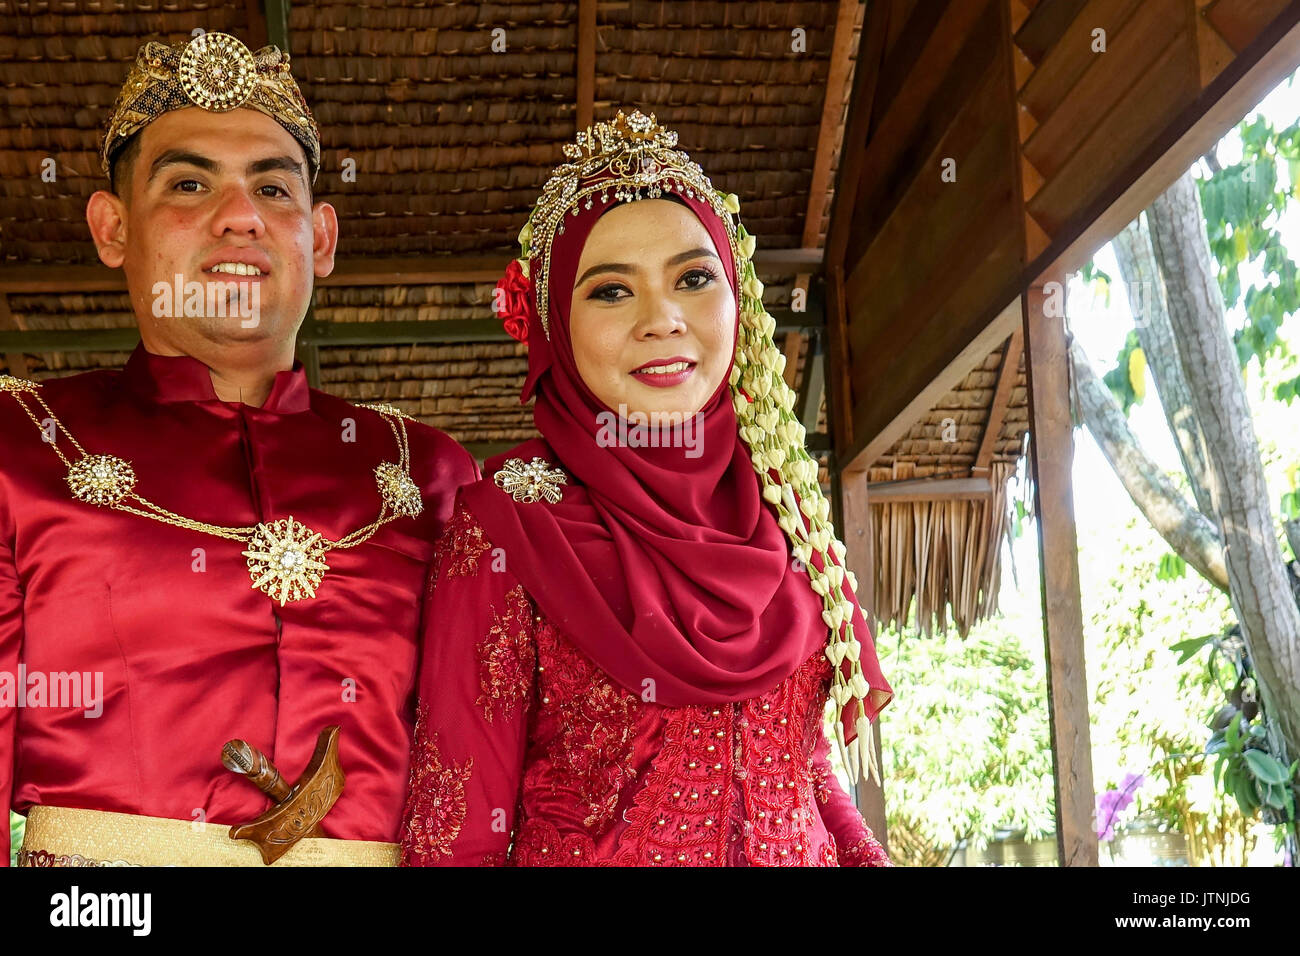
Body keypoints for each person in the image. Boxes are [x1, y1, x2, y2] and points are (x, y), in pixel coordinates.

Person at [0, 31, 476, 866]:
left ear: (320, 240)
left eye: (272, 187)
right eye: (190, 183)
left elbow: (484, 756)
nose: (241, 216)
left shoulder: (429, 470)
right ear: (112, 228)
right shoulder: (21, 443)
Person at [400, 110, 894, 866]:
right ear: (553, 325)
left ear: (738, 301)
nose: (662, 320)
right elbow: (455, 829)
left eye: (694, 278)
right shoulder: (509, 524)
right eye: (609, 292)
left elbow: (801, 769)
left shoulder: (786, 507)